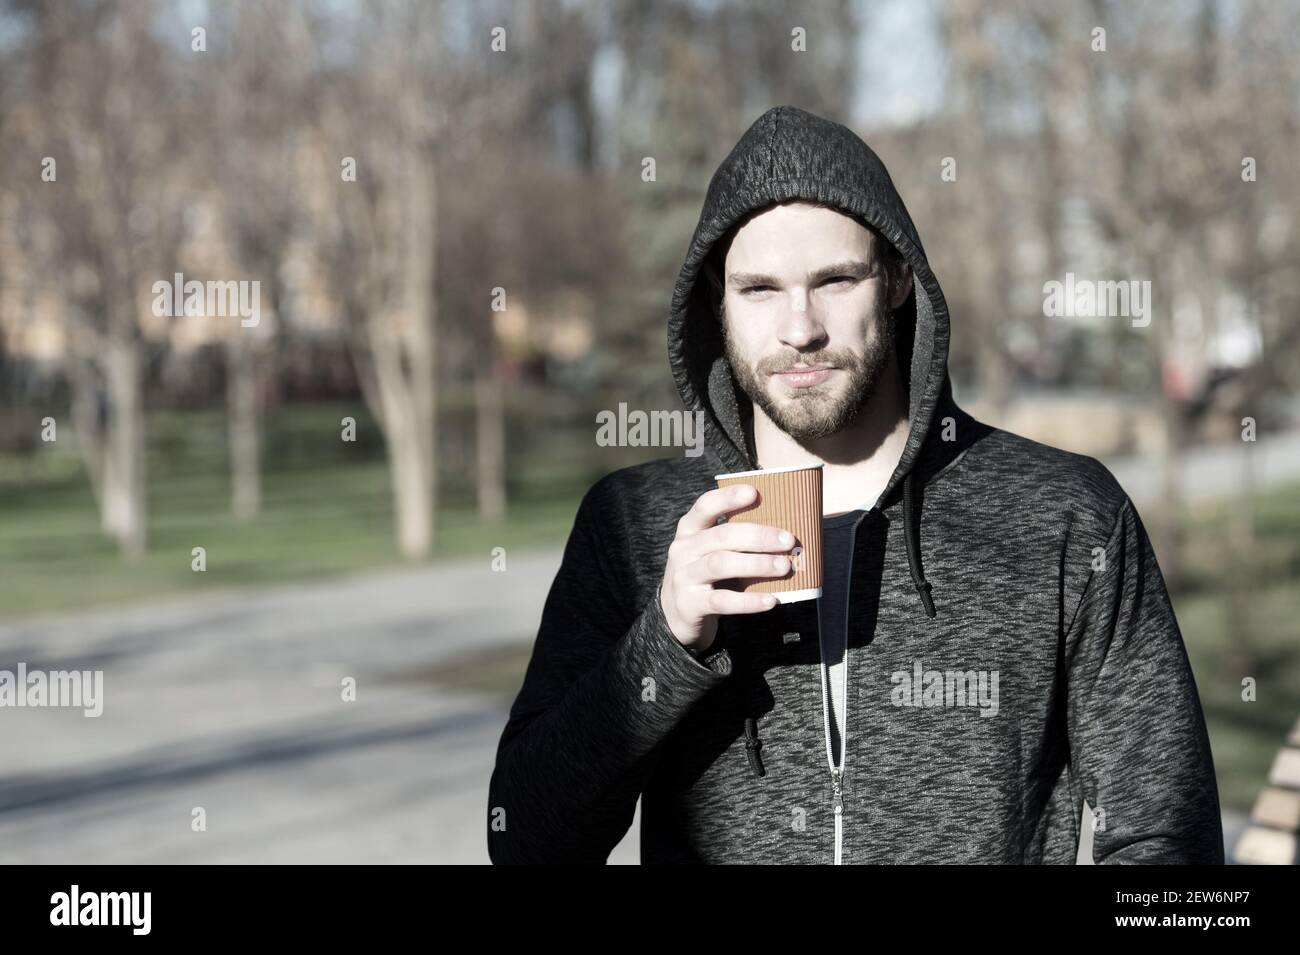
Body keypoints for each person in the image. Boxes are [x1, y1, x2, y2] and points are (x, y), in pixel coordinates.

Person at [486, 105, 1224, 864]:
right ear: (718, 300)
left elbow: (1169, 835)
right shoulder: (636, 525)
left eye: (834, 280)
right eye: (760, 289)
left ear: (899, 278)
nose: (799, 327)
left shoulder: (1066, 516)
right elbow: (525, 838)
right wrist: (666, 641)